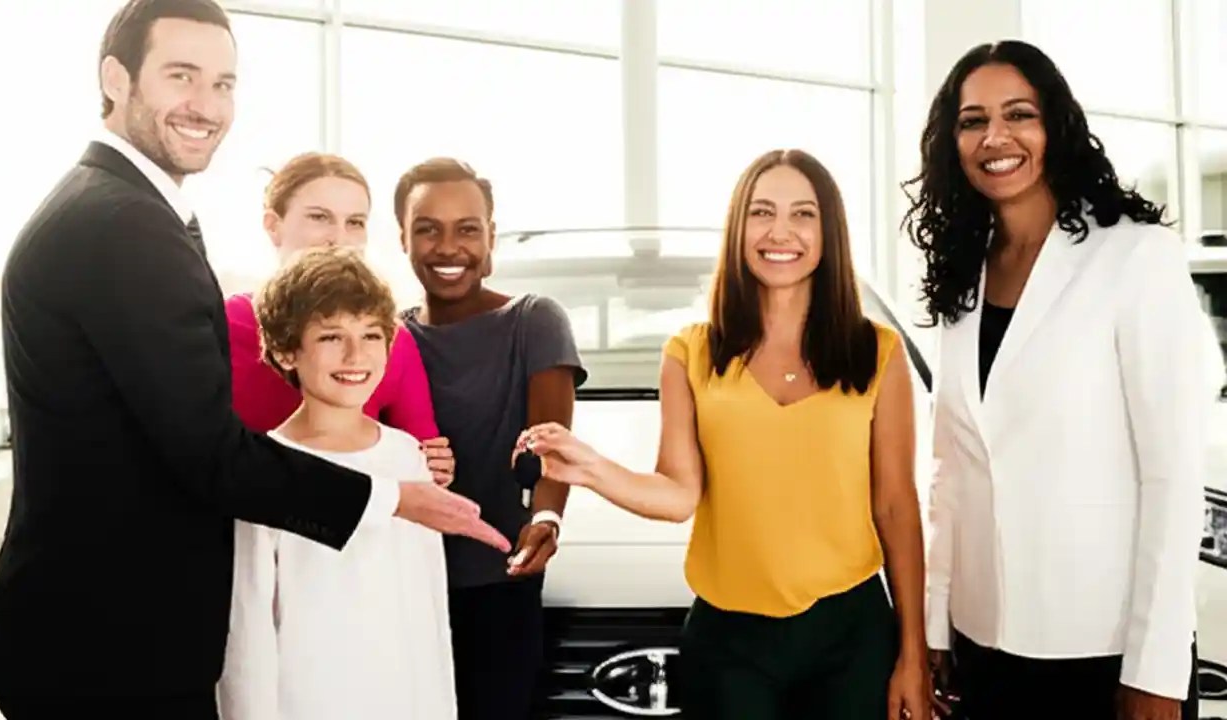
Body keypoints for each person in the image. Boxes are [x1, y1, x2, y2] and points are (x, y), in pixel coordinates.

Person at [0, 2, 506, 718]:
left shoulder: (113, 207)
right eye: (181, 76)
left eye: (224, 83)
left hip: (98, 633)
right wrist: (390, 495)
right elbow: (207, 451)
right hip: (112, 645)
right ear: (116, 79)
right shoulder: (123, 225)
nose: (206, 105)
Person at [516, 149, 931, 719]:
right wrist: (589, 467)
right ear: (739, 228)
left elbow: (896, 507)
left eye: (802, 214)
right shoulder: (690, 354)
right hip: (730, 644)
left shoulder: (877, 353)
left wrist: (913, 653)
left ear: (828, 230)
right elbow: (679, 494)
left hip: (851, 637)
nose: (780, 232)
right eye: (762, 212)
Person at [901, 39, 1210, 720]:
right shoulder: (965, 273)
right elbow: (952, 470)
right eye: (972, 120)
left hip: (1103, 648)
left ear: (1057, 127)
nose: (996, 137)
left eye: (1020, 114)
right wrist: (936, 625)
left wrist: (1154, 667)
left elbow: (1172, 473)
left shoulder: (1134, 254)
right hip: (986, 644)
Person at [217, 245, 455, 719]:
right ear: (287, 350)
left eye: (371, 335)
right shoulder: (265, 469)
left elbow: (432, 613)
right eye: (330, 337)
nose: (355, 354)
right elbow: (247, 633)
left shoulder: (407, 456)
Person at [396, 157, 587, 720]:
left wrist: (546, 518)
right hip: (407, 587)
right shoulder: (386, 336)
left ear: (490, 238)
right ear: (403, 239)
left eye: (467, 229)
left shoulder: (533, 320)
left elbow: (549, 445)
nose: (448, 247)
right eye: (428, 229)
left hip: (499, 585)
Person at [226, 151, 456, 485]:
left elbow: (422, 461)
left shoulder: (391, 338)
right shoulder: (221, 325)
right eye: (319, 217)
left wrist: (431, 468)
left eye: (355, 222)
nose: (338, 238)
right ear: (273, 225)